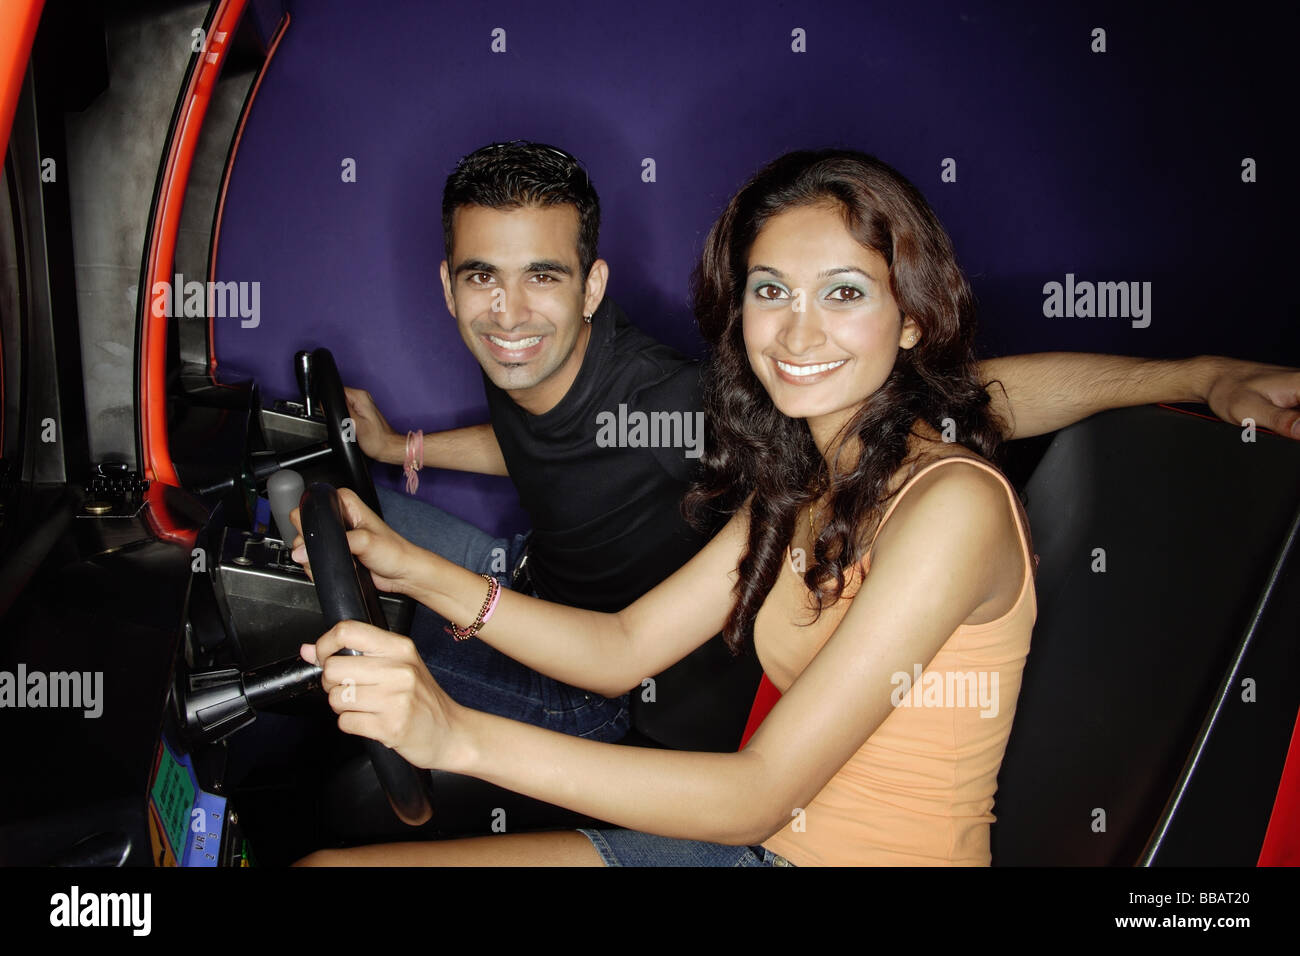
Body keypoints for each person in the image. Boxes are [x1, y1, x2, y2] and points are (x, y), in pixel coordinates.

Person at [292, 149, 1296, 866]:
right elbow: (623, 642)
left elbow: (752, 793)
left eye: (844, 293)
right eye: (771, 289)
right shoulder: (804, 479)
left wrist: (455, 733)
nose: (797, 329)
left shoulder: (948, 507)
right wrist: (411, 566)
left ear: (909, 316)